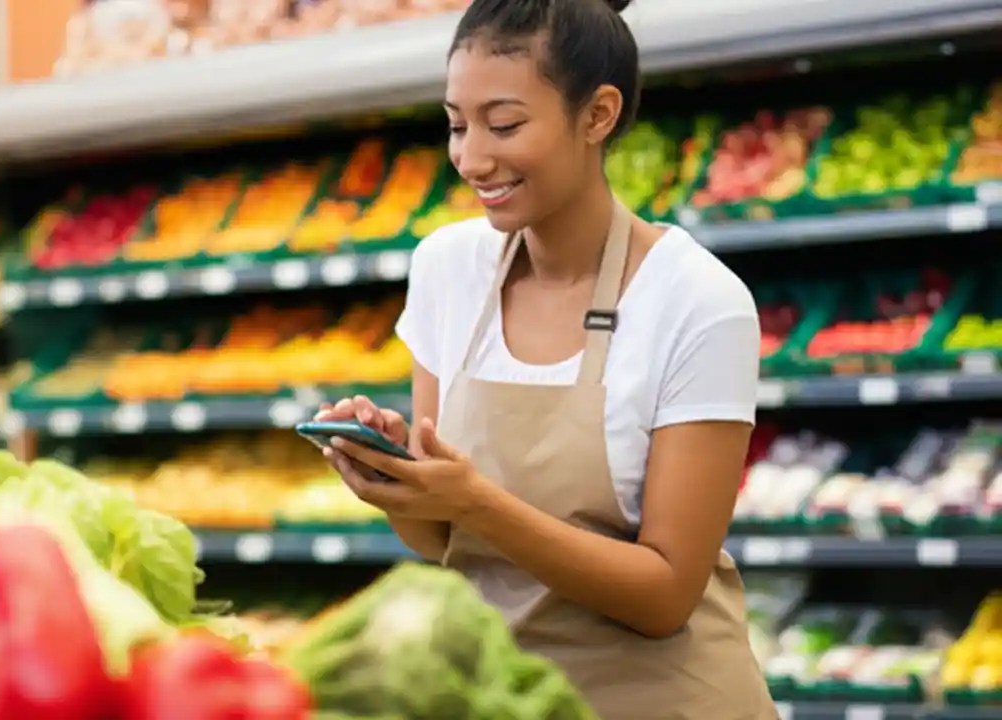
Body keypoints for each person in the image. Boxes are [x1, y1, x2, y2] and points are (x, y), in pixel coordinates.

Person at [315, 0, 778, 717]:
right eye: (456, 124)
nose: (471, 158)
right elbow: (441, 542)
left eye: (504, 125)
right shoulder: (448, 270)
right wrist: (395, 478)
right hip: (508, 700)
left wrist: (474, 500)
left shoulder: (697, 301)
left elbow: (664, 596)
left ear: (597, 116)